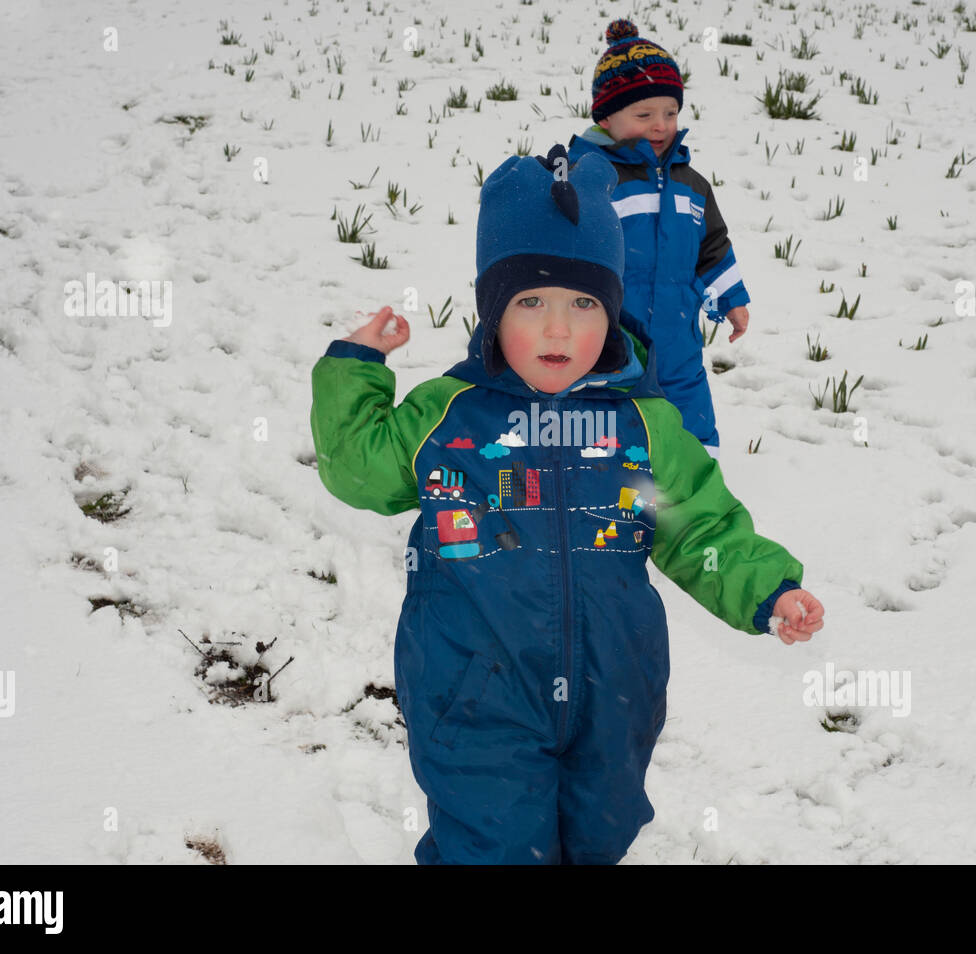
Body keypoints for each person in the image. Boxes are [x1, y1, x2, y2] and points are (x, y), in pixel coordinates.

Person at [309, 145, 823, 864]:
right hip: (474, 690)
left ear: (611, 314)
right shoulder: (451, 415)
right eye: (531, 304)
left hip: (615, 690)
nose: (559, 330)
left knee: (600, 834)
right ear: (493, 312)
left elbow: (697, 524)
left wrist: (767, 587)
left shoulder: (641, 427)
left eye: (584, 304)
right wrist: (356, 367)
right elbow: (358, 470)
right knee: (492, 843)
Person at [568, 18, 751, 459]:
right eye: (644, 114)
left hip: (678, 337)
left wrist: (733, 300)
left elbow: (712, 247)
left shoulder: (692, 186)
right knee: (612, 414)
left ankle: (692, 480)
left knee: (689, 415)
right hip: (611, 338)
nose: (660, 125)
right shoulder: (591, 180)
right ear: (607, 118)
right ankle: (604, 481)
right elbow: (564, 253)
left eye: (670, 113)